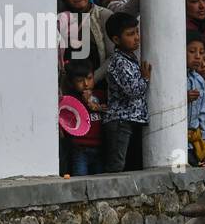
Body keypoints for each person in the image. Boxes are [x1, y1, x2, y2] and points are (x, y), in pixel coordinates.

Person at [101, 12, 148, 172]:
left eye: (136, 32)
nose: (136, 37)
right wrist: (146, 79)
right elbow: (133, 91)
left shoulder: (130, 58)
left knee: (132, 165)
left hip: (131, 119)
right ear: (116, 39)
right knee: (117, 165)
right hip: (120, 120)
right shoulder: (119, 62)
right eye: (130, 34)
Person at [61, 60, 105, 176]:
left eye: (89, 78)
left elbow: (109, 110)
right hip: (80, 149)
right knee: (80, 179)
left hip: (100, 147)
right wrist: (85, 103)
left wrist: (95, 105)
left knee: (100, 180)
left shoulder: (100, 96)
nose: (86, 84)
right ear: (71, 83)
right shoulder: (70, 101)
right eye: (80, 81)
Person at [185, 33, 205, 166]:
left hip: (194, 140)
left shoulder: (200, 81)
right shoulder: (176, 77)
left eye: (201, 53)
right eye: (191, 51)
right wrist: (183, 99)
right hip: (179, 139)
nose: (197, 57)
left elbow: (203, 112)